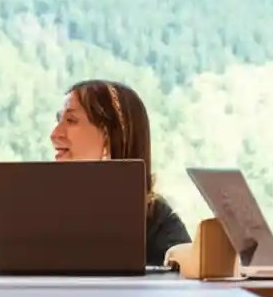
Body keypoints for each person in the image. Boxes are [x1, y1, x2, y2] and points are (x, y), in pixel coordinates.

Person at [50, 80, 190, 265]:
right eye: (58, 120)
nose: (54, 134)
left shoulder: (154, 219)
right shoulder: (43, 210)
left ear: (110, 136)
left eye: (71, 120)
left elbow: (189, 273)